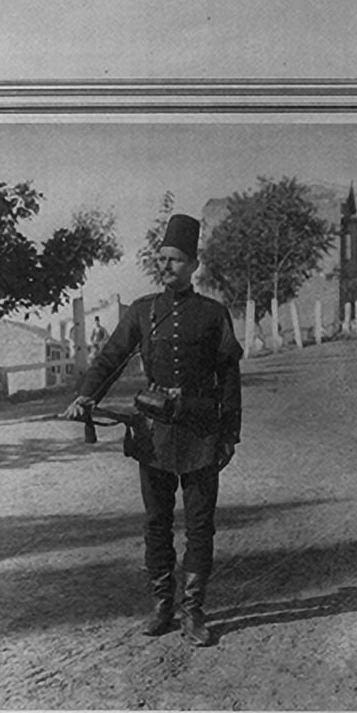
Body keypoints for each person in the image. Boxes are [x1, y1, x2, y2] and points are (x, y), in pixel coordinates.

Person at [62, 214, 242, 646]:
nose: (167, 267)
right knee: (156, 522)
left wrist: (229, 435)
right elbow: (110, 358)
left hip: (200, 429)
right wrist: (87, 396)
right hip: (153, 432)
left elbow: (229, 380)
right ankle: (162, 603)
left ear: (194, 264)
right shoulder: (143, 312)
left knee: (200, 525)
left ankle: (193, 611)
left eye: (176, 259)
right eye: (162, 259)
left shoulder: (214, 314)